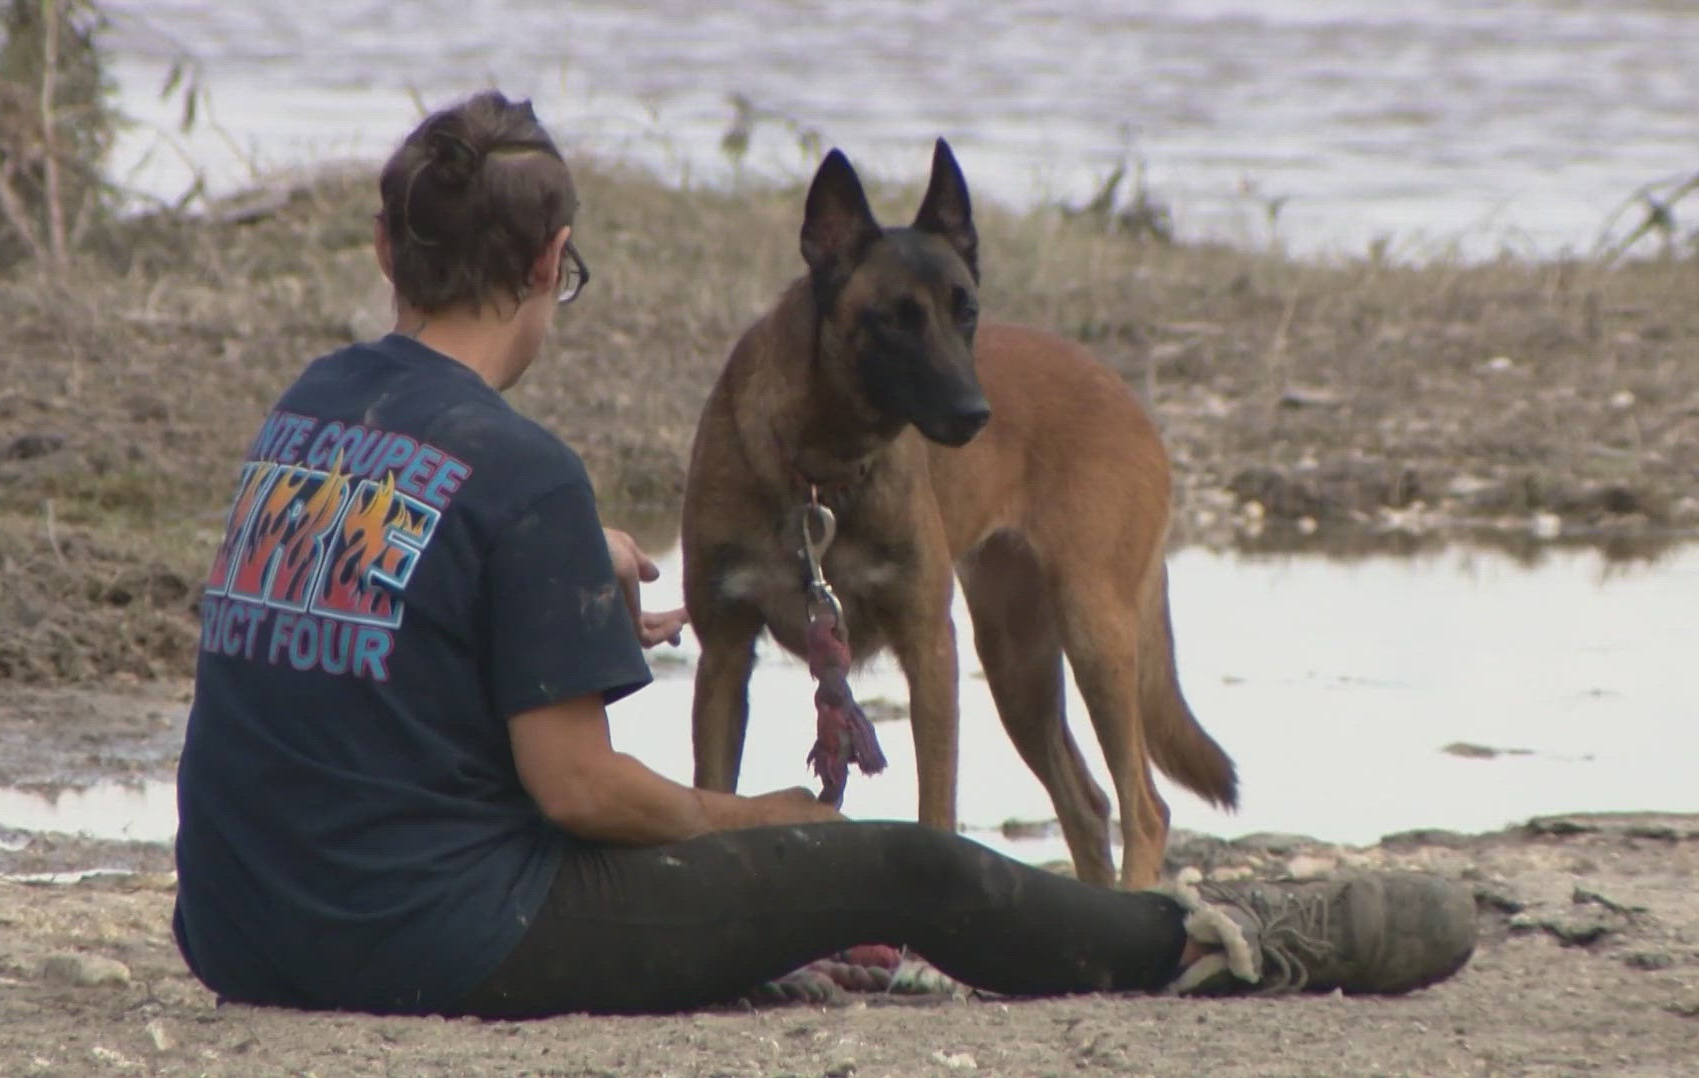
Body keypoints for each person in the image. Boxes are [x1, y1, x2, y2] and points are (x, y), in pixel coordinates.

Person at [170, 90, 1478, 1019]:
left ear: (386, 246)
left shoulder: (309, 410)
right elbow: (578, 793)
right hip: (436, 947)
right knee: (899, 866)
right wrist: (757, 824)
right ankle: (1208, 944)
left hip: (236, 931)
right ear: (553, 260)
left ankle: (1135, 879)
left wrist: (561, 592)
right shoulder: (523, 476)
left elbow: (365, 620)